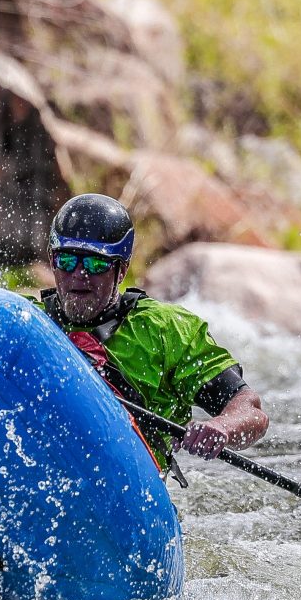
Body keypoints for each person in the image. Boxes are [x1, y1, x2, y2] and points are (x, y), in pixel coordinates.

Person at [36, 193, 268, 479]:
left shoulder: (165, 331)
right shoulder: (29, 321)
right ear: (52, 262)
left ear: (121, 270)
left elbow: (252, 411)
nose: (80, 273)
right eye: (68, 261)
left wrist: (222, 427)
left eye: (96, 264)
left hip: (127, 485)